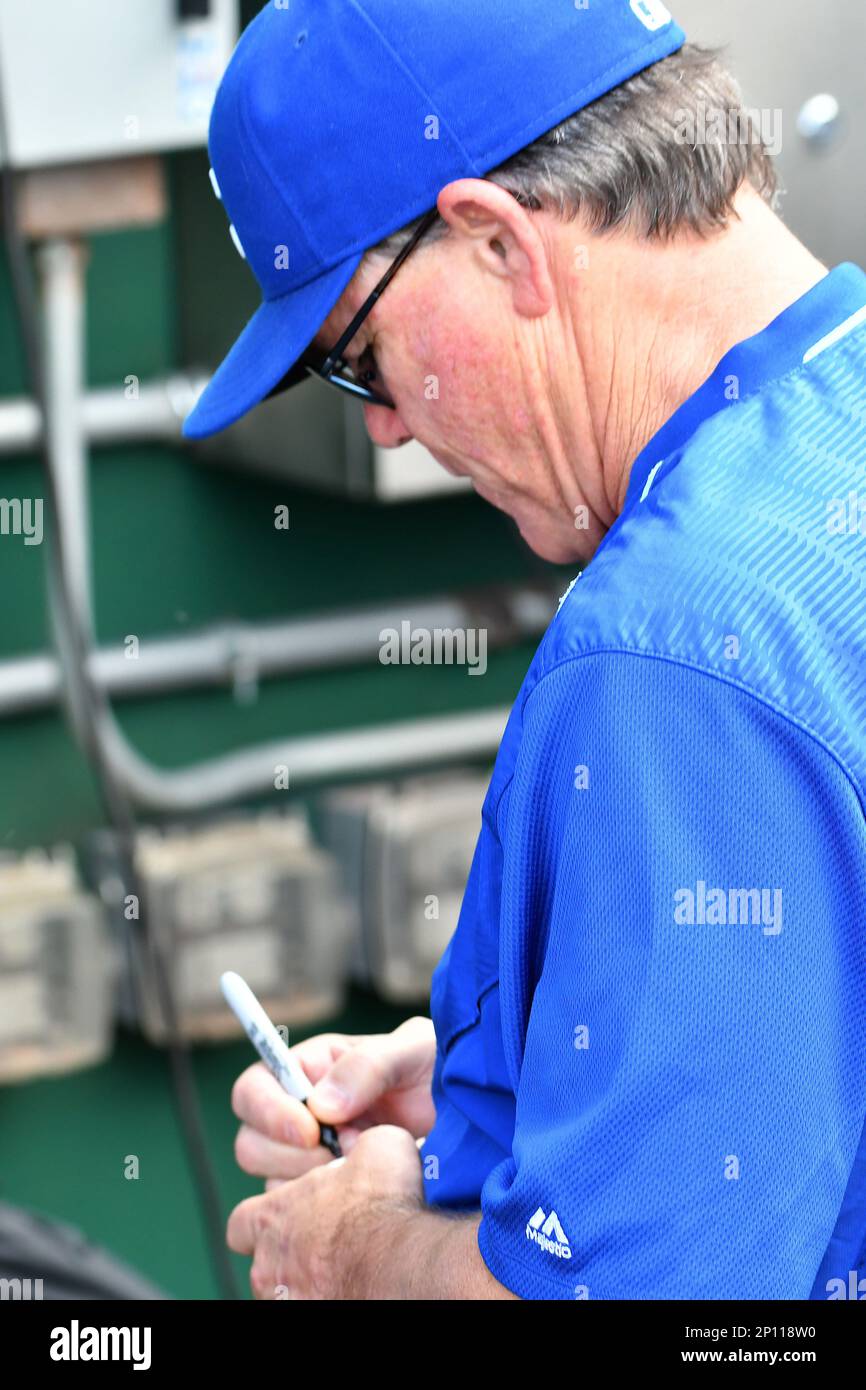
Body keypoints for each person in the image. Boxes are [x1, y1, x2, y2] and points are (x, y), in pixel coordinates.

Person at [184, 1, 866, 1298]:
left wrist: (360, 1250)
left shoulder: (675, 658)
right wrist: (508, 1079)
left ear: (497, 242)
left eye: (354, 356)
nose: (383, 425)